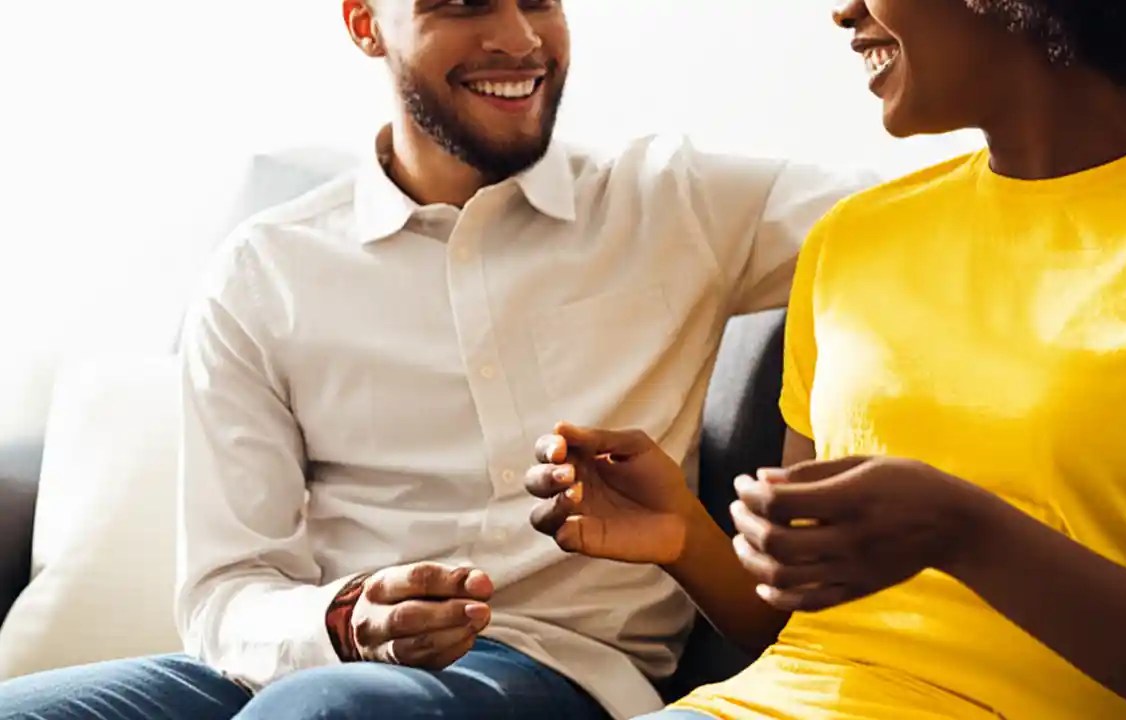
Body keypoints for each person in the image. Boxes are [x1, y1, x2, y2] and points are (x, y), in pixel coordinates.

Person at [0, 1, 870, 719]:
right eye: (463, 5)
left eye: (539, 1)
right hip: (297, 669)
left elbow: (918, 216)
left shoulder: (679, 204)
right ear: (364, 23)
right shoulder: (266, 271)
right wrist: (344, 620)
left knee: (328, 713)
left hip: (552, 670)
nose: (520, 39)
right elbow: (225, 590)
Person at [526, 1, 1126, 718]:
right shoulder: (854, 237)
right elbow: (811, 631)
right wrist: (685, 536)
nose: (843, 11)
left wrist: (969, 535)